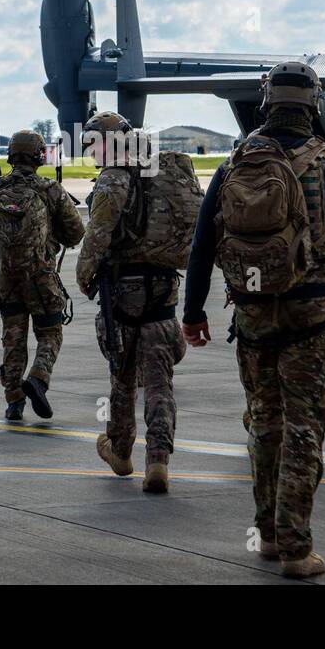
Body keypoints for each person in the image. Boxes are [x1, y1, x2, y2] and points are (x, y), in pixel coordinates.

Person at [182, 62, 325, 578]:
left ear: (266, 101)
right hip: (312, 316)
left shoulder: (235, 165)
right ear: (313, 103)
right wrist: (324, 249)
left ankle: (269, 536)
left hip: (252, 318)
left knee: (264, 423)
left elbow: (202, 244)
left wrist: (192, 313)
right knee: (303, 430)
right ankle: (297, 549)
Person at [75, 112, 202, 493]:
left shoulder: (114, 177)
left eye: (94, 143)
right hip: (164, 288)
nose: (92, 152)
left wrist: (84, 278)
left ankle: (121, 451)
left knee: (123, 378)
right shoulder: (165, 169)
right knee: (161, 380)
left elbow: (97, 234)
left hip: (123, 290)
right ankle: (158, 461)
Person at [0, 130, 84, 420]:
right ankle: (38, 377)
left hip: (5, 279)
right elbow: (76, 233)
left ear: (10, 155)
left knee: (13, 338)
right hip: (41, 277)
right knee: (50, 331)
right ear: (39, 156)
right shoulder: (50, 190)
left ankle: (13, 400)